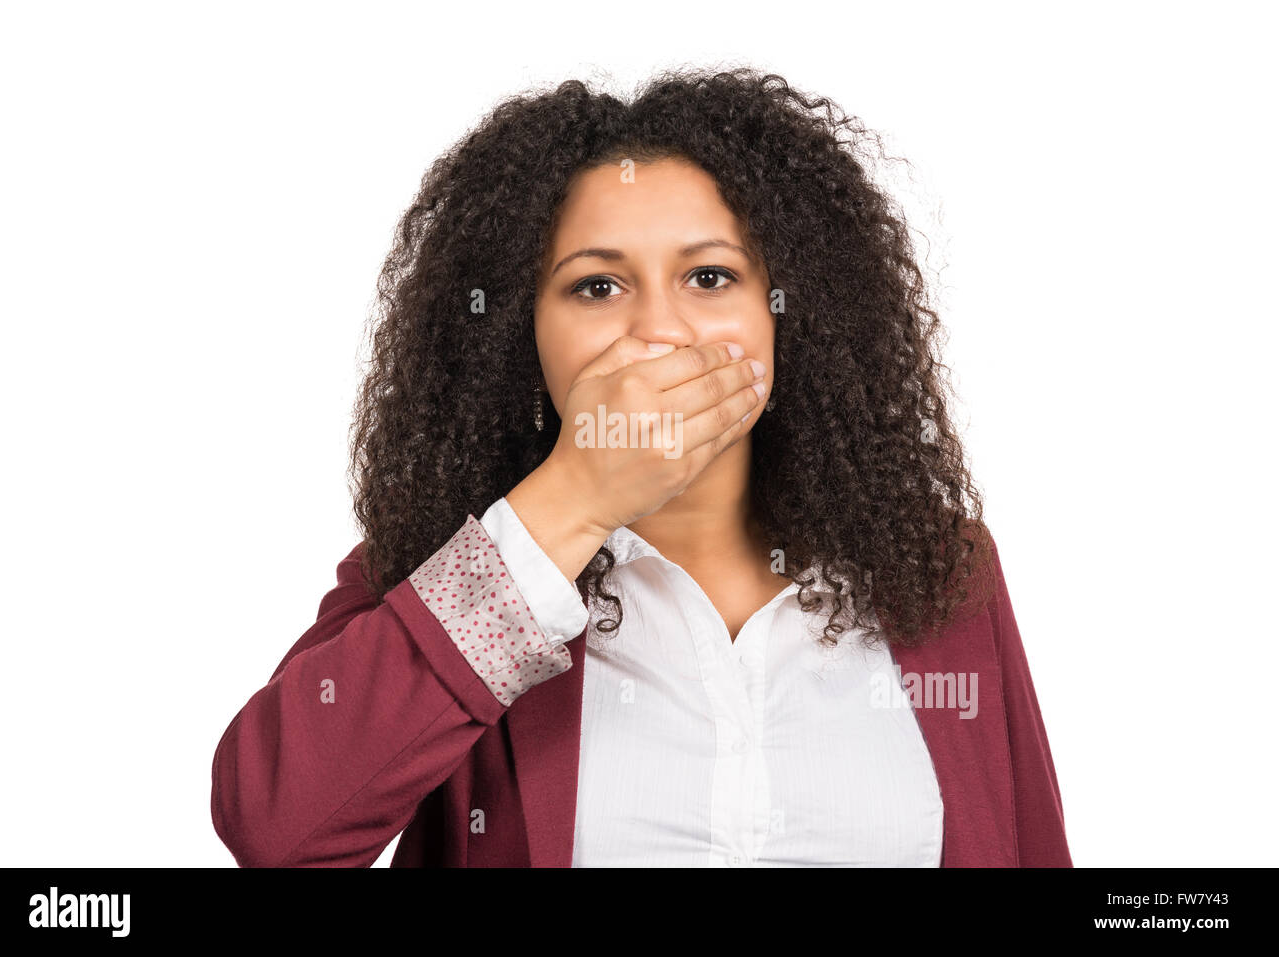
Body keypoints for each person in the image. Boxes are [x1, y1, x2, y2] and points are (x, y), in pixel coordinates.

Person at [210, 67, 1072, 867]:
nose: (660, 330)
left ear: (786, 316)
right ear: (521, 329)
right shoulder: (446, 568)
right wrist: (575, 500)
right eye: (596, 286)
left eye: (709, 276)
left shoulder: (939, 570)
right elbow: (276, 828)